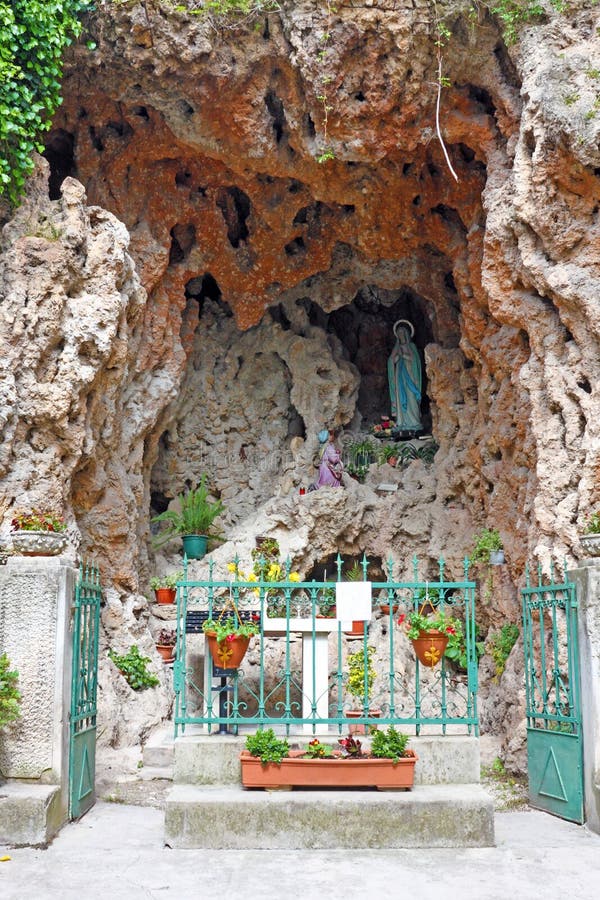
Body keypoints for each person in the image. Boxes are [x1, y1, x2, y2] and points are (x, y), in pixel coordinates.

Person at [387, 319, 422, 433]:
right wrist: (397, 358)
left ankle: (414, 422)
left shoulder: (411, 346)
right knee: (400, 396)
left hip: (410, 375)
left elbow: (415, 360)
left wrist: (404, 355)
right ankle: (402, 422)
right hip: (400, 376)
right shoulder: (396, 347)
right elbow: (391, 360)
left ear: (407, 334)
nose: (401, 336)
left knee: (411, 396)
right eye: (399, 334)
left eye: (402, 333)